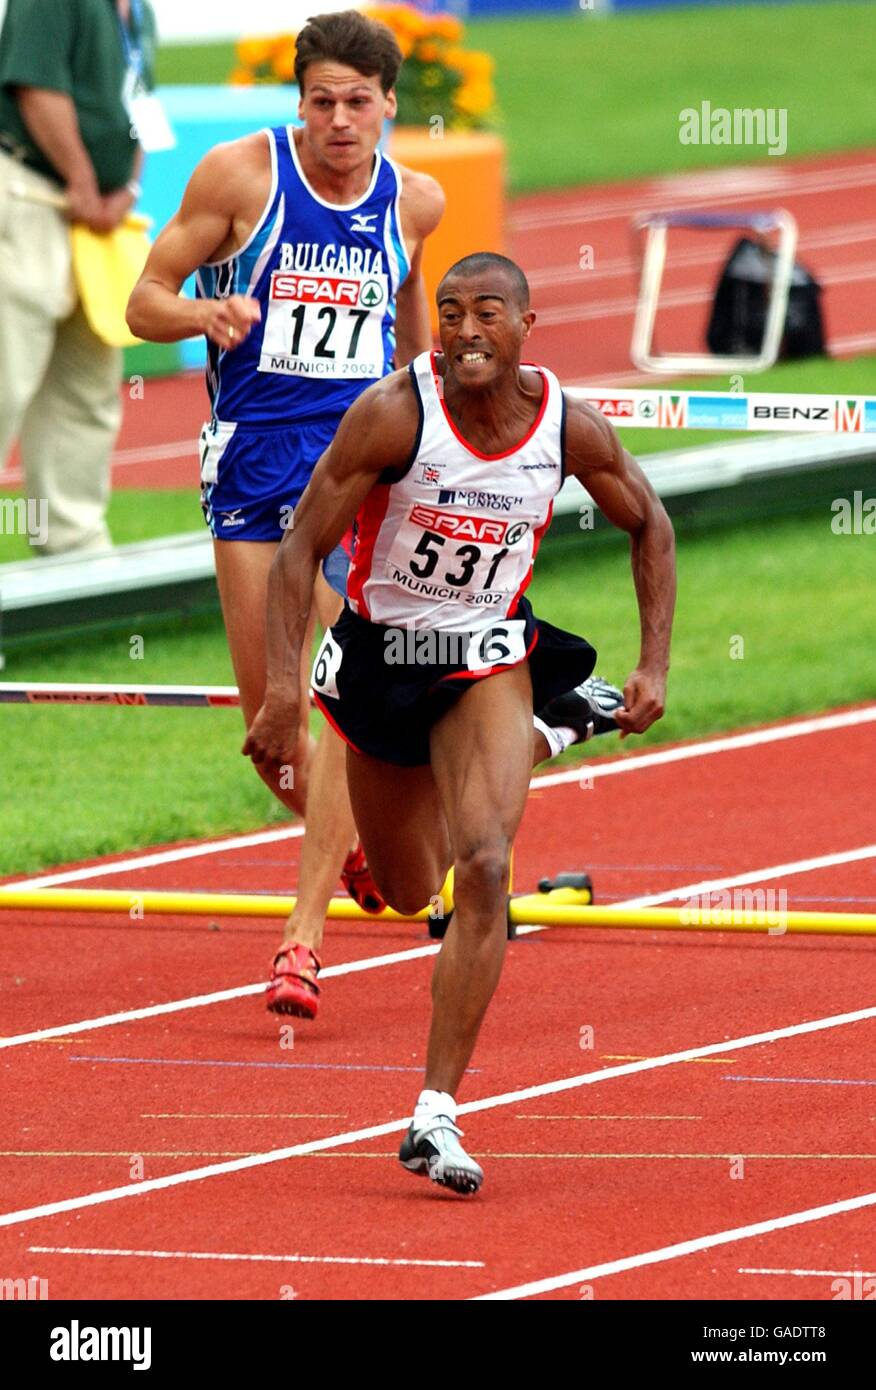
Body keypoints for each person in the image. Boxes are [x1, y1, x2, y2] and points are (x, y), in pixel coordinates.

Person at [243, 251, 677, 1194]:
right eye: (449, 313)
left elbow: (650, 521)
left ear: (526, 325)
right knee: (405, 889)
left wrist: (655, 661)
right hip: (381, 660)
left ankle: (434, 1112)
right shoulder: (397, 413)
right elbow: (298, 552)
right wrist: (284, 693)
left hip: (485, 653)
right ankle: (559, 726)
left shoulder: (564, 423)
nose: (465, 330)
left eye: (486, 312)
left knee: (484, 862)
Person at [126, 9, 447, 1000]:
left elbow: (409, 326)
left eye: (359, 103)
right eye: (322, 103)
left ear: (390, 105)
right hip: (252, 464)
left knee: (343, 708)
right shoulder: (242, 177)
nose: (341, 121)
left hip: (354, 466)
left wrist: (437, 422)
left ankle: (299, 940)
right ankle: (356, 840)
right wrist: (202, 314)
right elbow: (140, 301)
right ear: (297, 103)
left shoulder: (413, 200)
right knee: (272, 725)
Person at [0, 0, 157, 556]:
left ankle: (72, 550)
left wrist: (127, 189)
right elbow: (36, 88)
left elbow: (140, 106)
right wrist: (86, 181)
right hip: (27, 194)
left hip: (92, 216)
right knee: (5, 380)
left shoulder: (138, 10)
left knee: (86, 386)